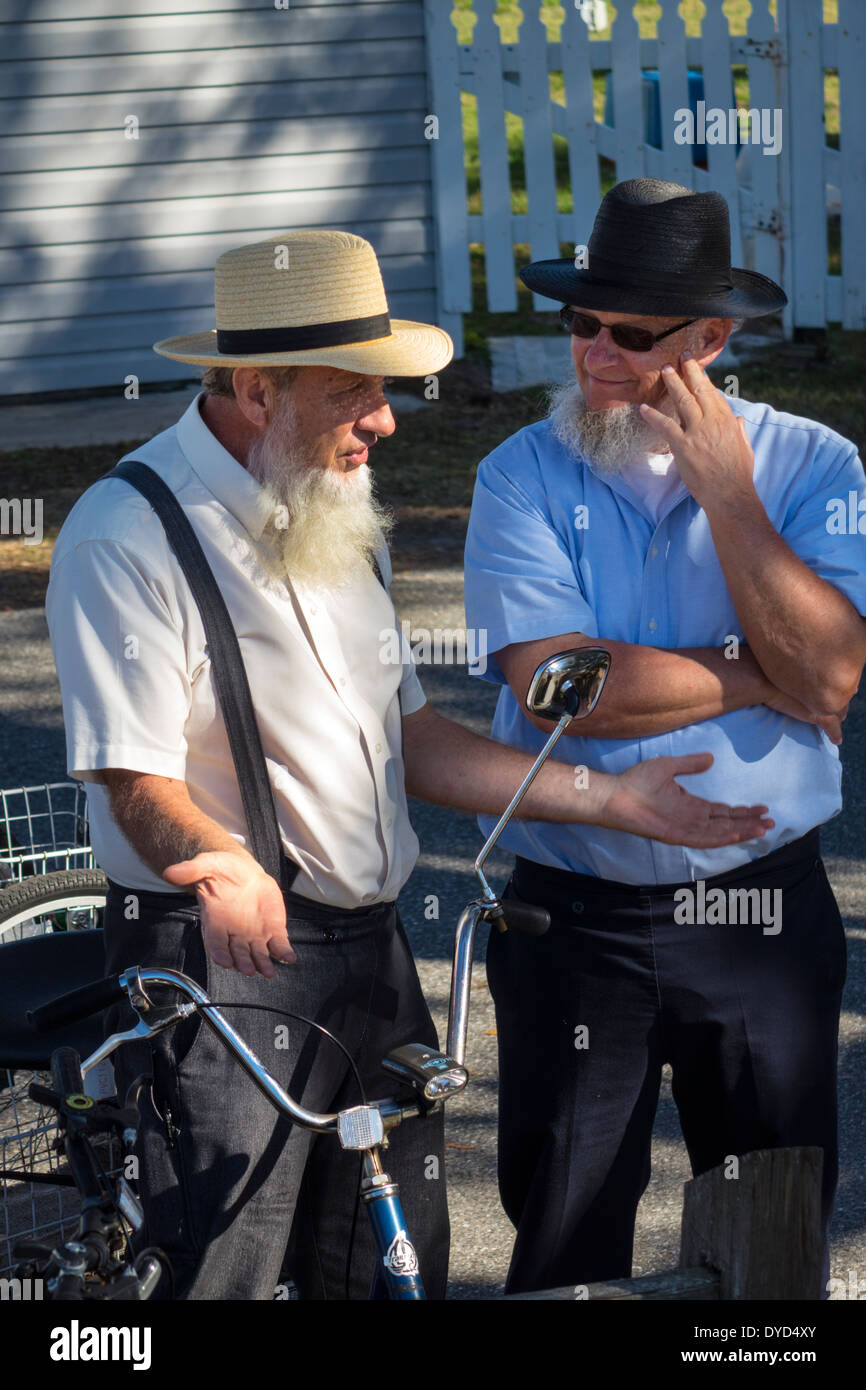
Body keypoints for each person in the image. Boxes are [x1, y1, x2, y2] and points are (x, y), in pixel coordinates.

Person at [47, 226, 771, 1301]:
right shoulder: (129, 532)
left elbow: (413, 739)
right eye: (353, 393)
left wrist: (611, 796)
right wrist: (221, 866)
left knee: (390, 1265)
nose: (384, 420)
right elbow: (133, 777)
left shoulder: (341, 508)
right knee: (221, 1273)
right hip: (226, 967)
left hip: (371, 964)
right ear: (255, 387)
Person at [464, 179, 866, 1296]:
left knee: (768, 1229)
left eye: (630, 334)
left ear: (711, 339)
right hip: (571, 910)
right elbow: (559, 687)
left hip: (757, 910)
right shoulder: (518, 473)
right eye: (580, 323)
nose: (594, 353)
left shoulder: (812, 466)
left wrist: (728, 498)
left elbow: (832, 672)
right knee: (561, 1232)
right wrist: (754, 668)